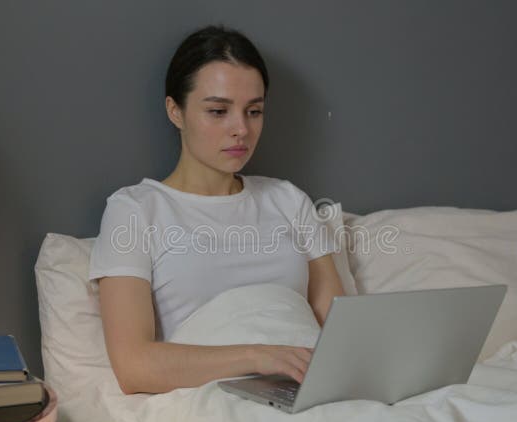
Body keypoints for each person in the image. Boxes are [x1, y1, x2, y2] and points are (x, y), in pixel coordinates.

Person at [88, 24, 345, 395]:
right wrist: (257, 357)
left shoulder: (288, 200)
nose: (240, 128)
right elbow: (134, 366)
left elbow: (342, 332)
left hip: (310, 391)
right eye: (218, 111)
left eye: (253, 111)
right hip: (216, 396)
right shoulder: (135, 210)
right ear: (175, 111)